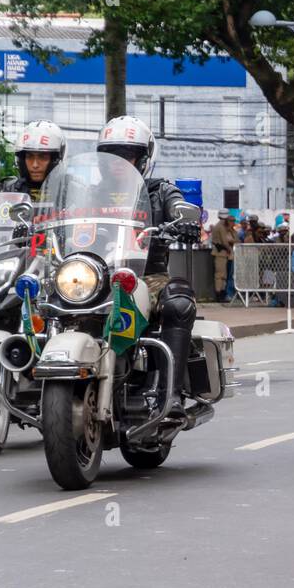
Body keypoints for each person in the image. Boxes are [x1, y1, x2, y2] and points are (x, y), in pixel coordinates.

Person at [96, 115, 201, 415]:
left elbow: (179, 207)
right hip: (97, 273)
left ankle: (172, 394)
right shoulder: (90, 191)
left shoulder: (160, 191)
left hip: (148, 274)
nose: (120, 162)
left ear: (144, 158)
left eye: (128, 155)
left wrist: (184, 217)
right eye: (112, 155)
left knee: (178, 304)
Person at [1, 120, 65, 201]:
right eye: (29, 156)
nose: (35, 165)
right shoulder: (10, 190)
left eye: (43, 157)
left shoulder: (69, 189)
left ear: (55, 160)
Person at [209, 208, 237, 302]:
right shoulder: (221, 226)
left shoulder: (220, 225)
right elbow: (224, 241)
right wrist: (229, 249)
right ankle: (219, 295)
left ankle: (220, 294)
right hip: (220, 253)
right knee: (220, 275)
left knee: (222, 275)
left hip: (221, 253)